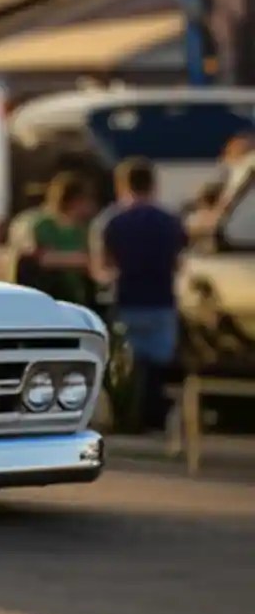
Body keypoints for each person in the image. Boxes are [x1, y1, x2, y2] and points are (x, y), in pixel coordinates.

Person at [99, 158, 187, 433]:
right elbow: (179, 263)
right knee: (157, 365)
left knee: (126, 367)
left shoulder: (111, 221)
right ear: (154, 184)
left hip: (127, 299)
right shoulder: (171, 221)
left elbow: (103, 266)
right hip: (162, 301)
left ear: (121, 185)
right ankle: (154, 418)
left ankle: (128, 419)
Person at [31, 174, 97, 306]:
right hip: (50, 297)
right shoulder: (44, 225)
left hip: (79, 298)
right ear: (75, 201)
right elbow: (44, 259)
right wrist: (83, 260)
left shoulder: (85, 228)